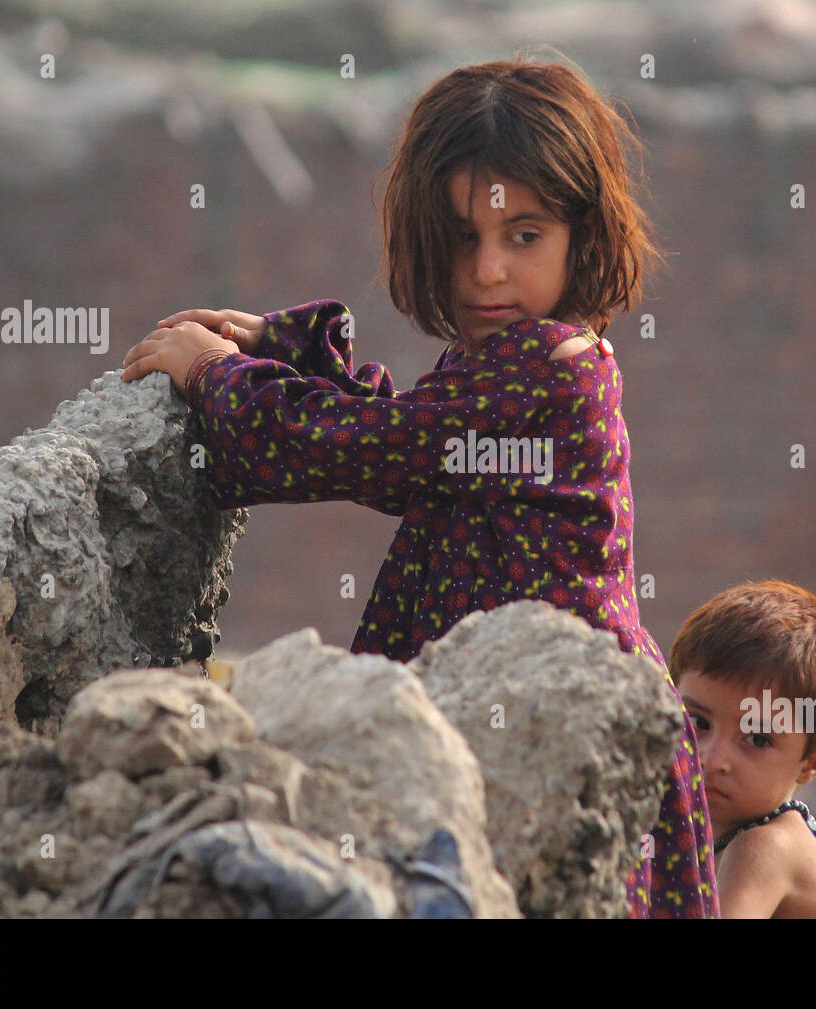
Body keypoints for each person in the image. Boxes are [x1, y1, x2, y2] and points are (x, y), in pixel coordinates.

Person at [119, 51, 716, 918]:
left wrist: (217, 377)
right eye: (460, 239)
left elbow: (377, 450)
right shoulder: (514, 360)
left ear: (584, 235)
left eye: (524, 236)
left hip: (549, 718)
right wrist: (283, 352)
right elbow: (419, 445)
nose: (486, 272)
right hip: (511, 697)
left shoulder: (544, 364)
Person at [669, 579, 816, 917]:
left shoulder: (766, 846)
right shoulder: (706, 835)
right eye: (698, 723)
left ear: (813, 762)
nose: (712, 760)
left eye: (758, 739)